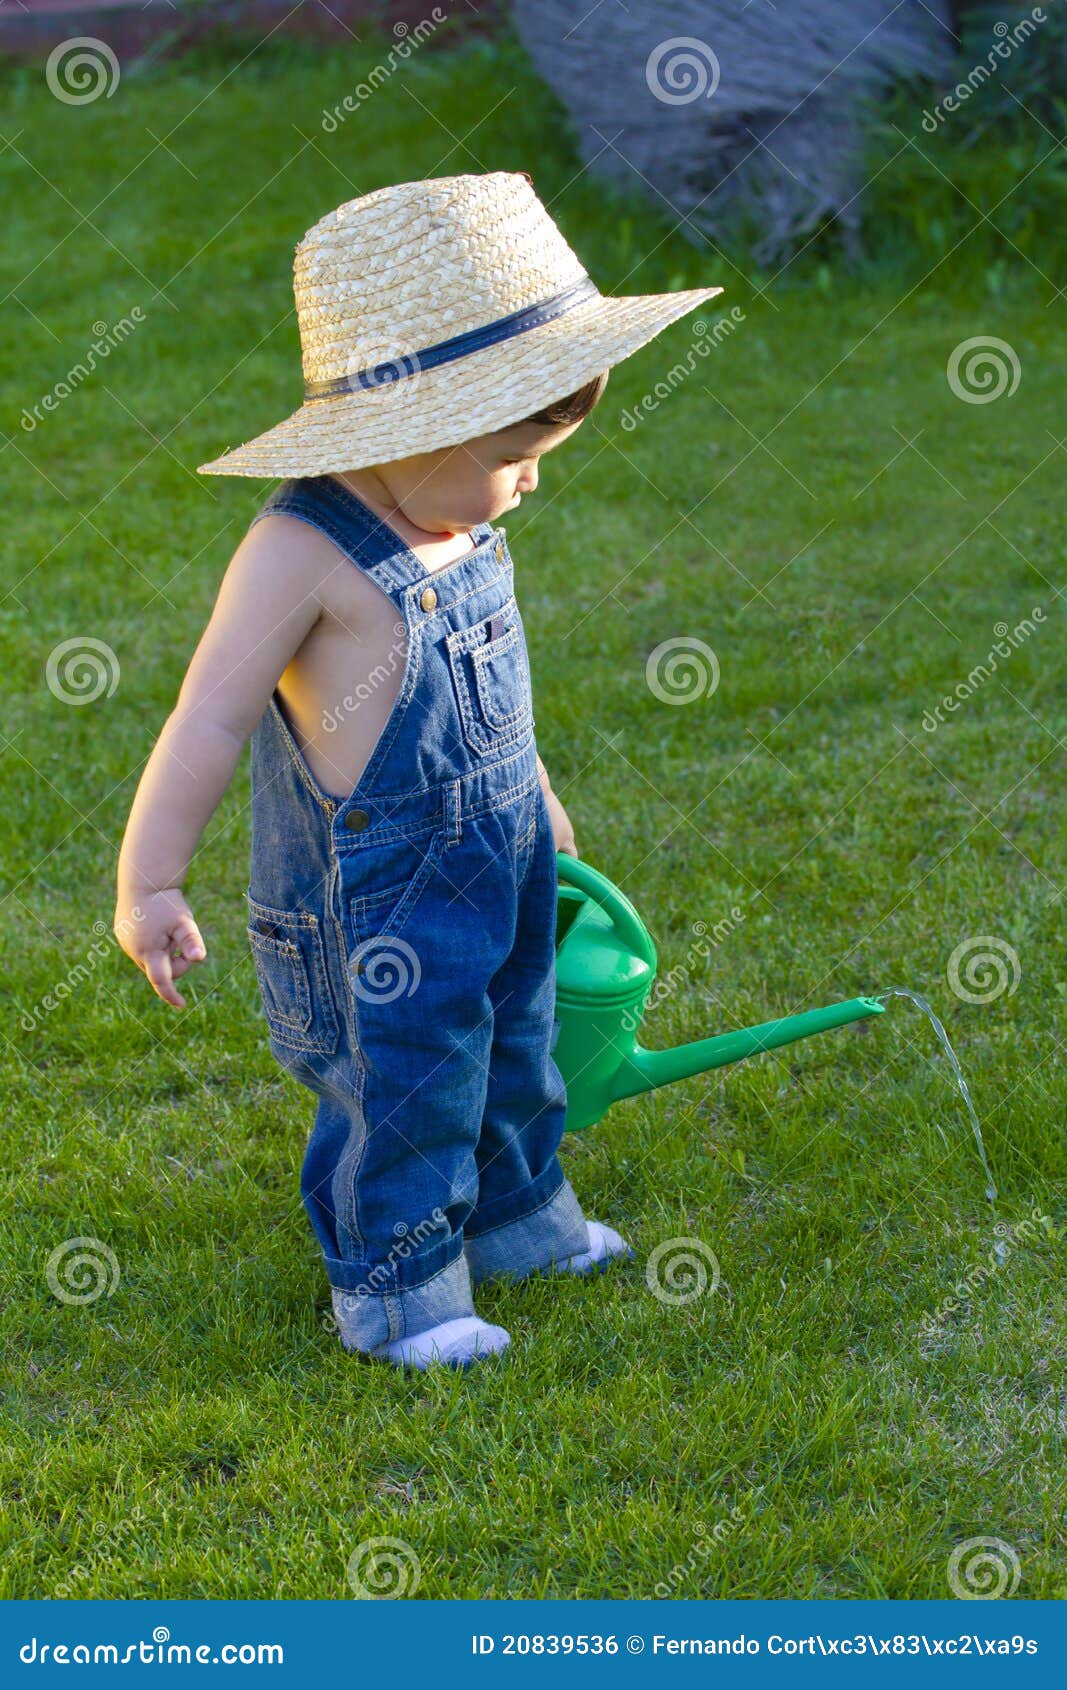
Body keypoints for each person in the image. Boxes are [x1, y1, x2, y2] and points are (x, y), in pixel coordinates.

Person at [113, 171, 721, 1371]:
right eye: (515, 452)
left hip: (499, 854)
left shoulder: (456, 518)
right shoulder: (299, 552)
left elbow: (492, 709)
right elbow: (207, 717)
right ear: (415, 427)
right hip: (378, 895)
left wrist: (537, 799)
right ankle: (400, 1295)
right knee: (406, 1081)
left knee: (515, 1046)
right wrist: (151, 882)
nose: (531, 479)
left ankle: (518, 1223)